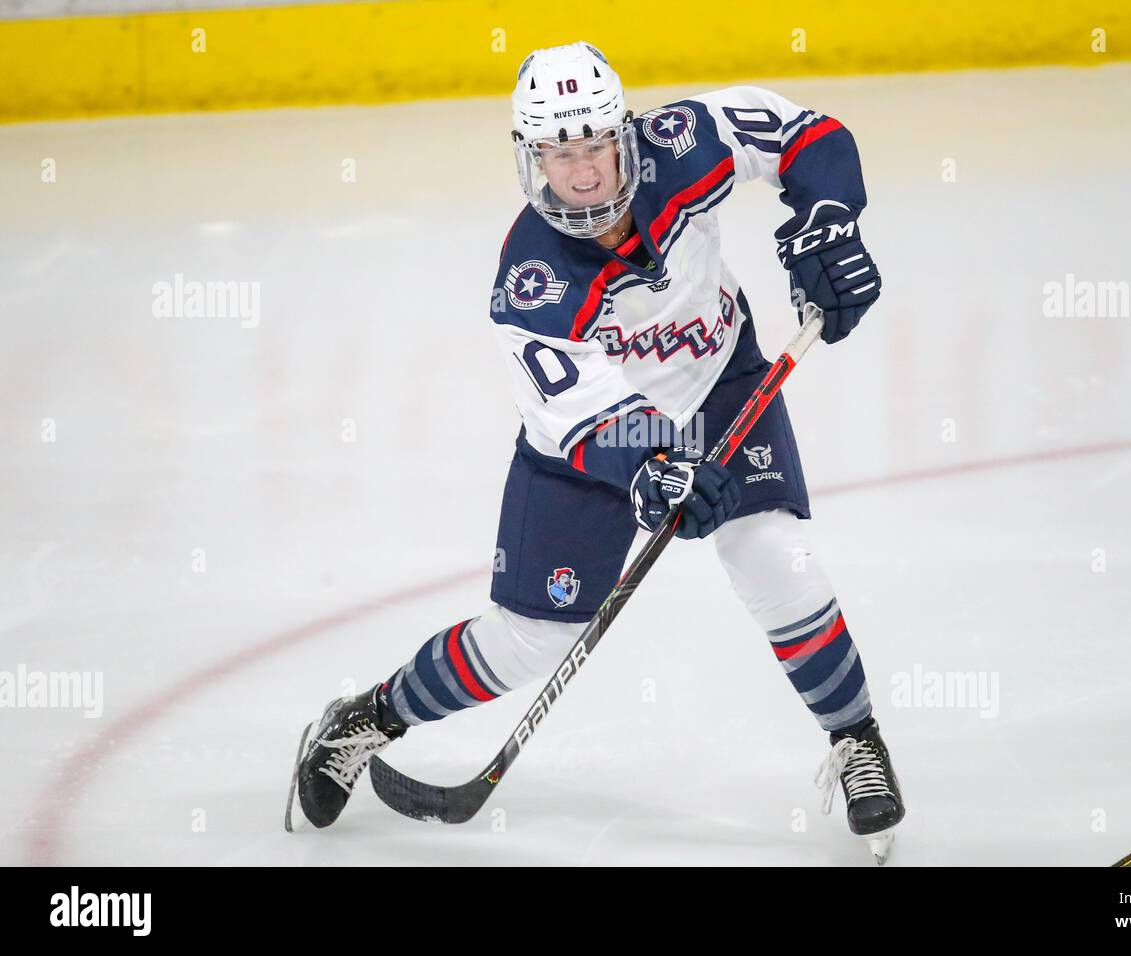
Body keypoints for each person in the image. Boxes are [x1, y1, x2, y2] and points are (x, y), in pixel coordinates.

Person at [288, 40, 903, 860]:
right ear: (531, 157)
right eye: (557, 154)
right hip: (590, 447)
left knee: (773, 555)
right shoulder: (532, 282)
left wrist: (828, 218)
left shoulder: (685, 142)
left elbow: (805, 133)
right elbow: (586, 419)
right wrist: (654, 466)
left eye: (595, 149)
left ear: (627, 138)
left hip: (721, 381)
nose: (580, 173)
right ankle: (367, 719)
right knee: (527, 643)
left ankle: (855, 739)